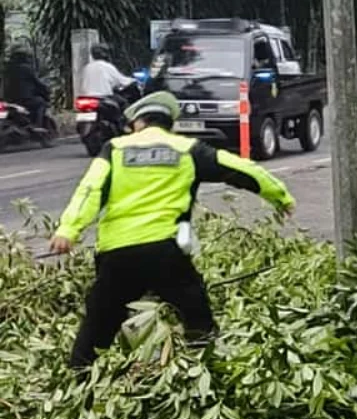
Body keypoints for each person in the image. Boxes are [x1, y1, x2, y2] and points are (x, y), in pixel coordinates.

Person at [49, 89, 295, 370]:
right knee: (196, 317)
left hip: (118, 254)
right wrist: (281, 197)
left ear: (138, 122)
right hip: (165, 251)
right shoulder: (188, 150)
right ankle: (204, 372)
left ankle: (79, 378)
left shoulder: (115, 149)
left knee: (98, 325)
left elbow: (89, 190)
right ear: (170, 123)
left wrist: (68, 230)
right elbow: (242, 169)